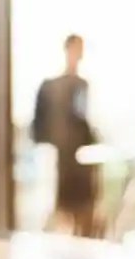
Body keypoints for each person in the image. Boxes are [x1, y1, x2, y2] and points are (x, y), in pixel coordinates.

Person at [32, 34, 98, 236]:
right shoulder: (52, 86)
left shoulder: (81, 84)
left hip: (81, 155)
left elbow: (83, 118)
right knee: (65, 207)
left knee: (84, 208)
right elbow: (40, 125)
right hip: (63, 156)